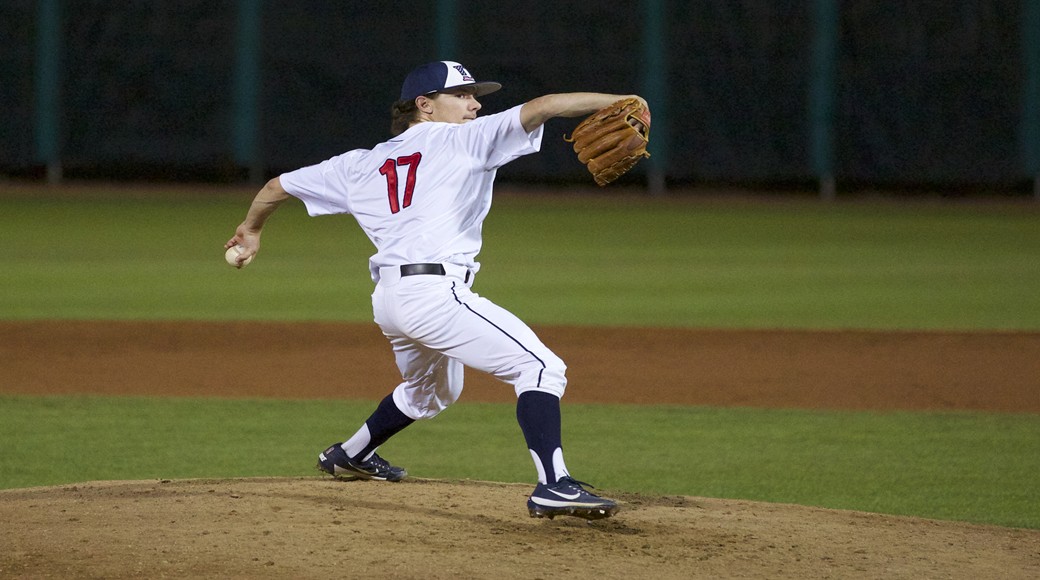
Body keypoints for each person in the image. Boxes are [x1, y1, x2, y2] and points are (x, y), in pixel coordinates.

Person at [226, 60, 645, 520]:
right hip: (432, 294)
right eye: (462, 95)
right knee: (541, 367)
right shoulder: (465, 138)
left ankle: (351, 455)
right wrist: (624, 102)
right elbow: (544, 106)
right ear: (424, 105)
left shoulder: (360, 163)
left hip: (389, 299)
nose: (475, 103)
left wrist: (251, 229)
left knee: (432, 391)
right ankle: (554, 485)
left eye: (474, 95)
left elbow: (276, 186)